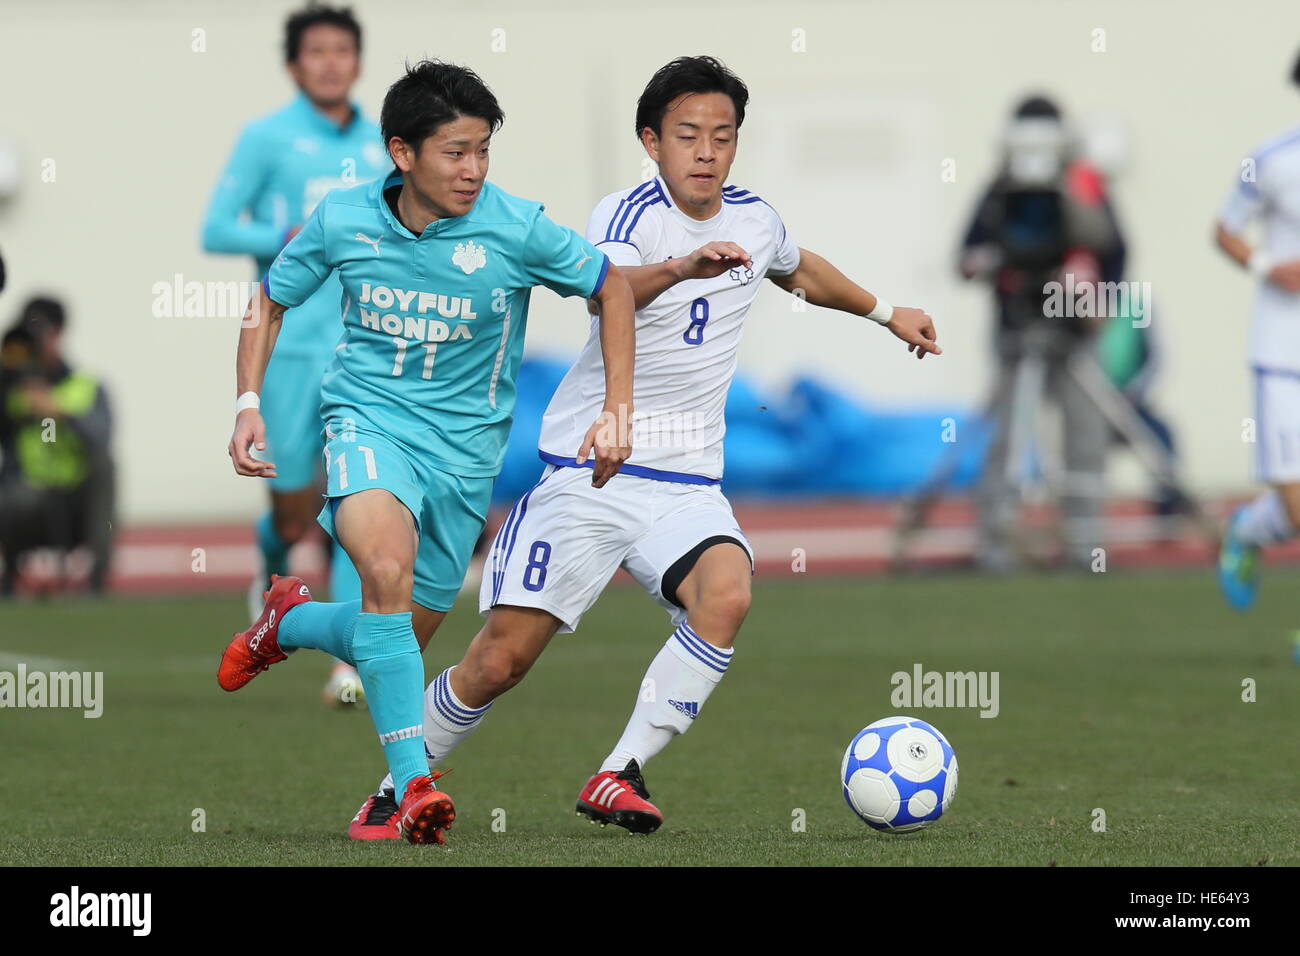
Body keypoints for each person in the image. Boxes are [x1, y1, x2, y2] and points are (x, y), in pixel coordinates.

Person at [344, 55, 940, 840]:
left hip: (686, 482)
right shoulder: (626, 217)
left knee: (726, 594)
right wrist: (683, 268)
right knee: (498, 663)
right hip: (588, 473)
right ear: (651, 141)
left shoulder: (755, 219)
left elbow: (799, 271)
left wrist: (885, 310)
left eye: (722, 137)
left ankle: (617, 771)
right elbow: (609, 288)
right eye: (687, 135)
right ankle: (397, 786)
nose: (706, 152)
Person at [216, 60, 635, 845]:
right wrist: (247, 403)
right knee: (382, 571)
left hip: (465, 461)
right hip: (368, 425)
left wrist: (618, 410)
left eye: (482, 151)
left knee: (395, 635)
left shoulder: (516, 227)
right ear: (402, 153)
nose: (473, 170)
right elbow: (270, 297)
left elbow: (610, 287)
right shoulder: (344, 220)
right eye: (455, 152)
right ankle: (412, 786)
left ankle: (291, 622)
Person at [201, 4, 385, 705]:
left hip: (364, 349)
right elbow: (216, 225)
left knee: (353, 497)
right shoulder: (266, 139)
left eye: (343, 49)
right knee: (293, 509)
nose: (332, 61)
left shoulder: (382, 142)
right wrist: (292, 230)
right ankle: (273, 564)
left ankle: (352, 659)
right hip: (286, 347)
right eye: (318, 51)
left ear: (358, 61)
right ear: (294, 65)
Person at [958, 94, 1125, 571]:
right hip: (1017, 327)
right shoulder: (999, 192)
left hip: (1074, 331)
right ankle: (997, 542)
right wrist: (988, 263)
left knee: (1086, 433)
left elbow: (1114, 251)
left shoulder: (1086, 188)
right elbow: (969, 253)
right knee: (1007, 434)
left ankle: (1084, 542)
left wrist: (1092, 290)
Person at [1215, 49, 1300, 609]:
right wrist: (1269, 266)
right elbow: (1224, 230)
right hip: (1282, 351)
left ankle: (1252, 527)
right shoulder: (1273, 160)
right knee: (1298, 506)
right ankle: (1249, 530)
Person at [0, 297, 115, 595]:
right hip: (26, 500)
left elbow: (101, 437)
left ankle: (97, 583)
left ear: (59, 334)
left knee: (107, 466)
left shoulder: (86, 384)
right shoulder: (10, 388)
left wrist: (60, 412)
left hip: (76, 498)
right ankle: (9, 579)